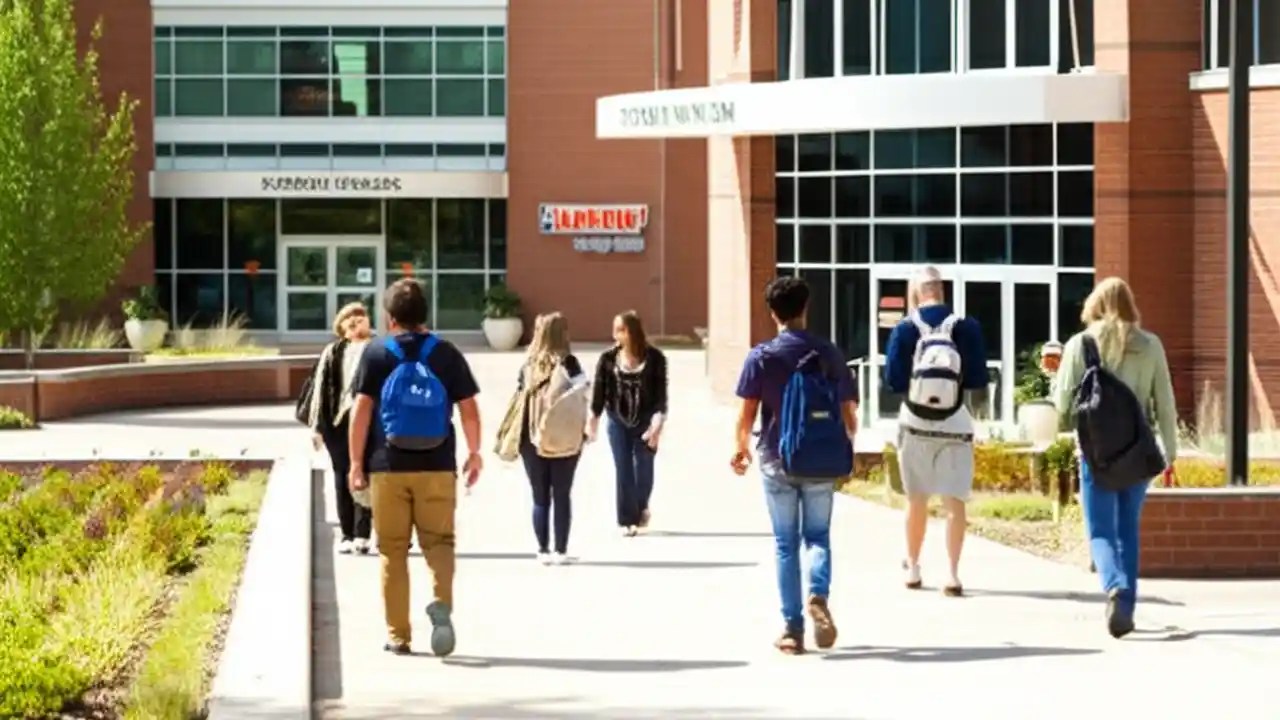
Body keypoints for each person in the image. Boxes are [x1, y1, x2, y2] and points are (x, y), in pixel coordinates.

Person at [348, 279, 482, 657]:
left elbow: (361, 412)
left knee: (392, 551)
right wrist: (474, 453)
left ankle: (398, 635)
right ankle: (441, 604)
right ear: (426, 314)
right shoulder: (445, 354)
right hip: (437, 466)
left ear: (390, 318)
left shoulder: (375, 353)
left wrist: (356, 463)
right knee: (439, 544)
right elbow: (468, 409)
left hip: (387, 467)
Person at [730, 276, 858, 655]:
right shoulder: (828, 353)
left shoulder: (762, 357)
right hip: (821, 458)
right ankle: (817, 594)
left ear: (773, 313)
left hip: (776, 459)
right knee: (817, 536)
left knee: (786, 543)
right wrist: (846, 447)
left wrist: (741, 450)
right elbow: (849, 411)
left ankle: (792, 628)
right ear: (805, 309)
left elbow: (746, 414)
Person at [1052, 277, 1177, 638]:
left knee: (1100, 531)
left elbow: (1062, 405)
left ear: (1094, 306)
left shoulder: (1081, 344)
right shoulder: (1150, 345)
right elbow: (1164, 404)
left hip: (1096, 454)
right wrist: (1170, 451)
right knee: (1127, 532)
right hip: (1138, 453)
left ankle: (1113, 585)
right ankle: (1126, 609)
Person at [883, 266, 987, 597]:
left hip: (915, 423)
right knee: (954, 501)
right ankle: (953, 575)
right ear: (942, 290)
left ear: (916, 291)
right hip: (955, 422)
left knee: (917, 499)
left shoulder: (904, 328)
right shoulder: (966, 327)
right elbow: (977, 379)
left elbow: (894, 381)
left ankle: (913, 567)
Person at [516, 312, 589, 565]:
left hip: (531, 438)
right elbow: (584, 391)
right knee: (562, 493)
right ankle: (561, 550)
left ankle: (542, 550)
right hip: (564, 437)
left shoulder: (528, 365)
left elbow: (519, 400)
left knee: (540, 496)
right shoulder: (569, 362)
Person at [588, 311, 668, 536]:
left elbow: (661, 396)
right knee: (623, 468)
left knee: (643, 468)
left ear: (631, 331)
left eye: (620, 330)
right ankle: (627, 520)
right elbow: (599, 393)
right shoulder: (607, 360)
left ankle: (640, 505)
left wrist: (657, 423)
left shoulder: (655, 359)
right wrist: (593, 420)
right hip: (617, 421)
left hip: (645, 421)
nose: (615, 334)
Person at [305, 302, 374, 554]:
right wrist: (316, 427)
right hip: (337, 423)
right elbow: (319, 389)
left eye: (361, 316)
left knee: (365, 473)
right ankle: (347, 533)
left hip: (369, 421)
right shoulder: (332, 351)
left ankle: (363, 534)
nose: (356, 320)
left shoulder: (377, 348)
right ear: (340, 325)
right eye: (350, 317)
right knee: (342, 474)